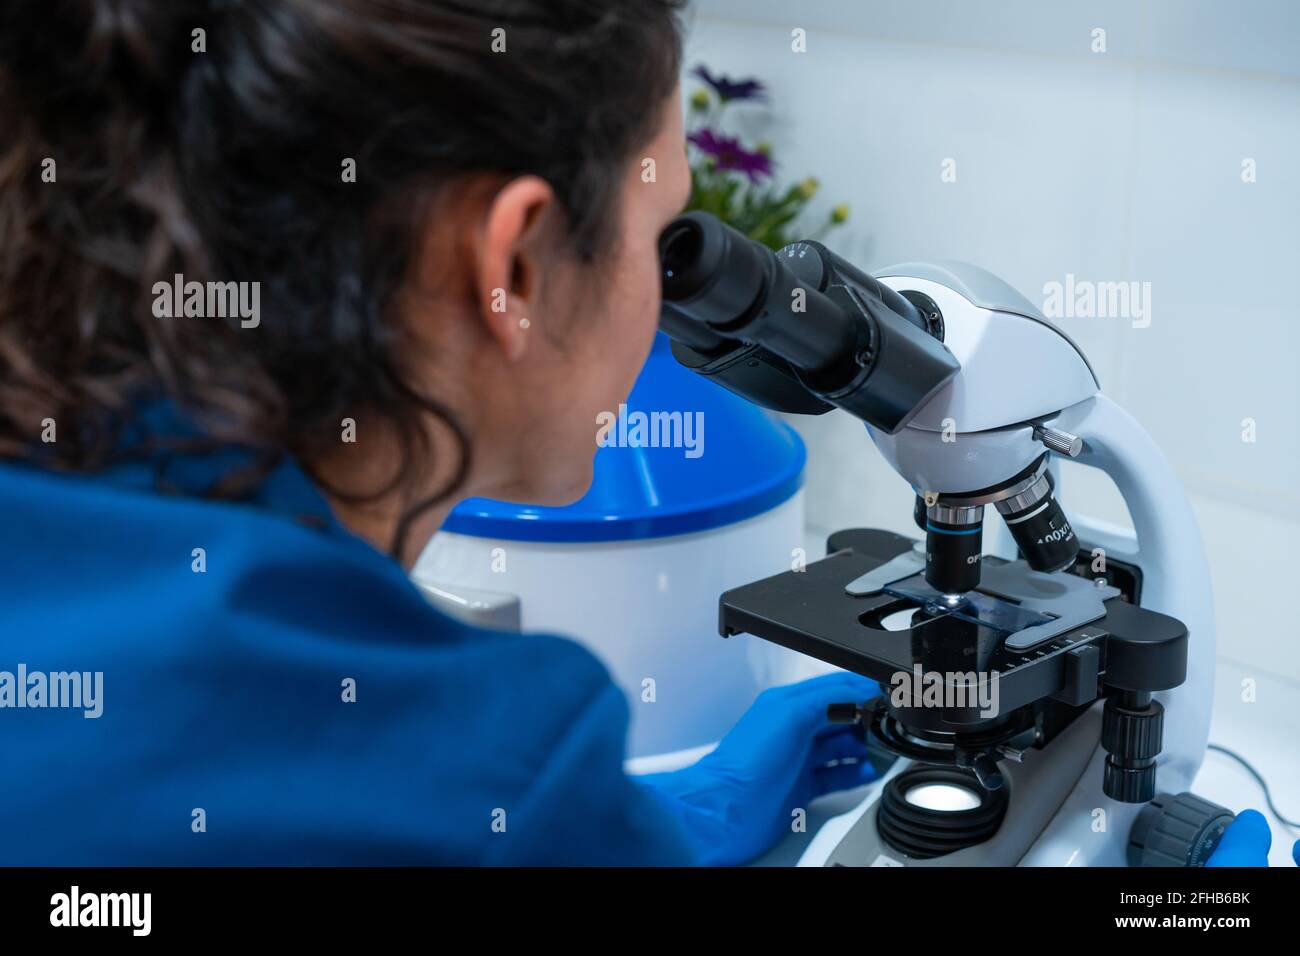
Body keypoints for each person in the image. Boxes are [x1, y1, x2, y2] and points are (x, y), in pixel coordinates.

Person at [0, 0, 1280, 867]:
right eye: (667, 228)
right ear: (508, 266)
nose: (674, 294)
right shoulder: (485, 760)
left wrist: (671, 817)